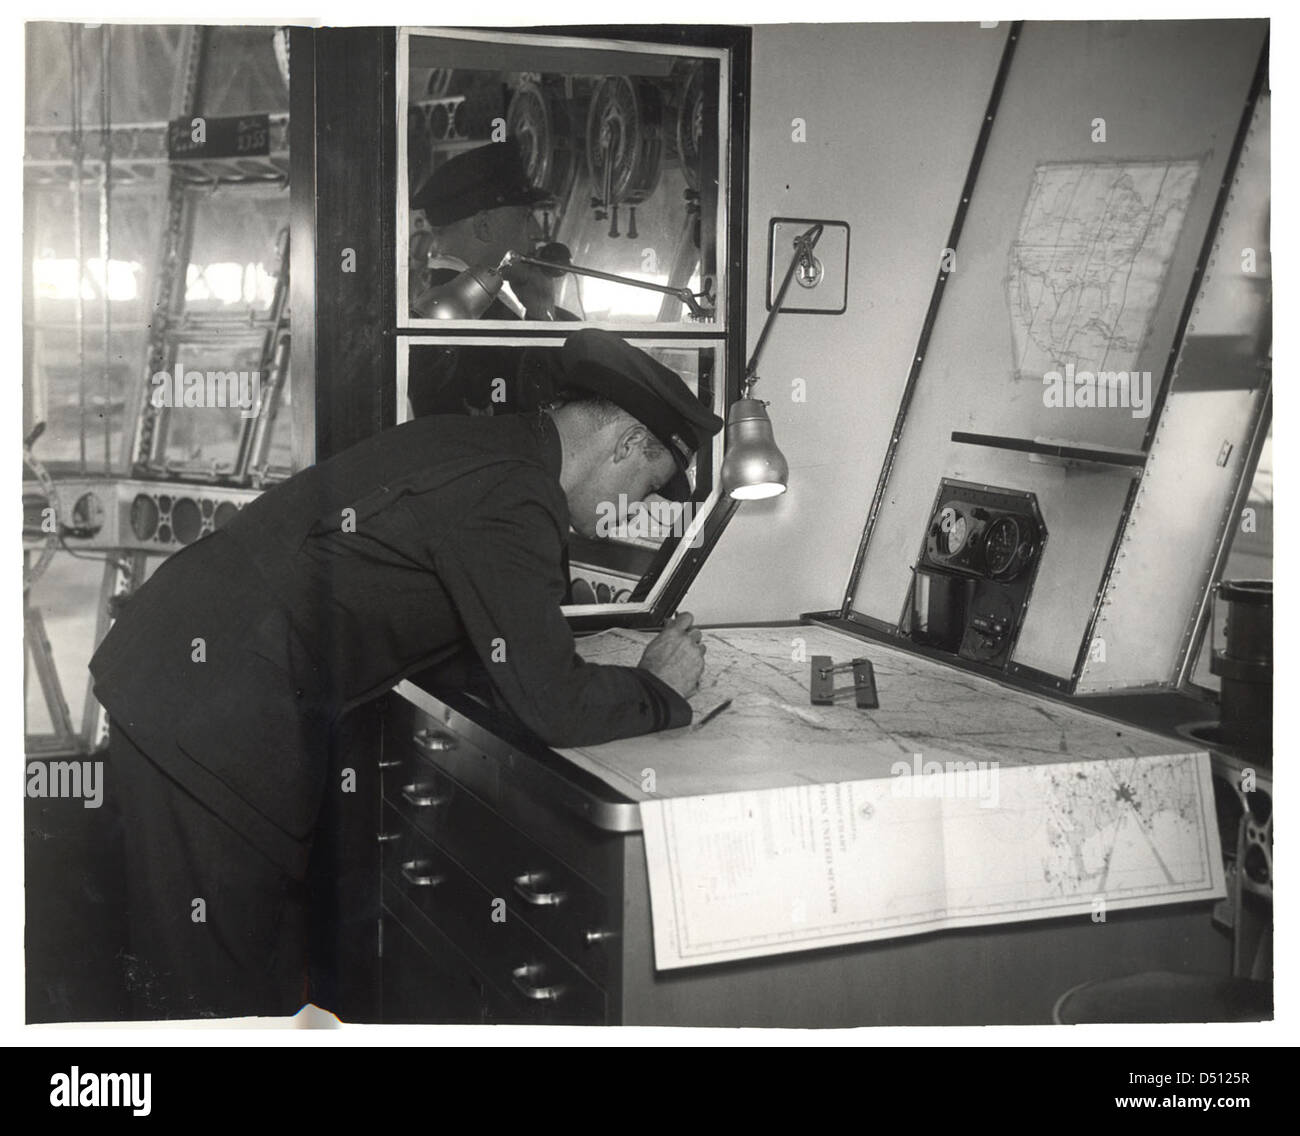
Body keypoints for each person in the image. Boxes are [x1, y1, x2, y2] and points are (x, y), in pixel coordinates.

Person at [88, 328, 722, 1020]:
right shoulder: (515, 495)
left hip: (191, 678)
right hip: (210, 712)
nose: (633, 511)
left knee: (229, 964)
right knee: (220, 989)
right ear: (626, 444)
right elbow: (555, 704)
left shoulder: (493, 448)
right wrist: (658, 688)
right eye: (647, 487)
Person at [408, 139, 573, 416]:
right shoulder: (467, 320)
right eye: (524, 216)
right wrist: (542, 320)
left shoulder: (449, 299)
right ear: (484, 226)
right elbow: (542, 418)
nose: (535, 230)